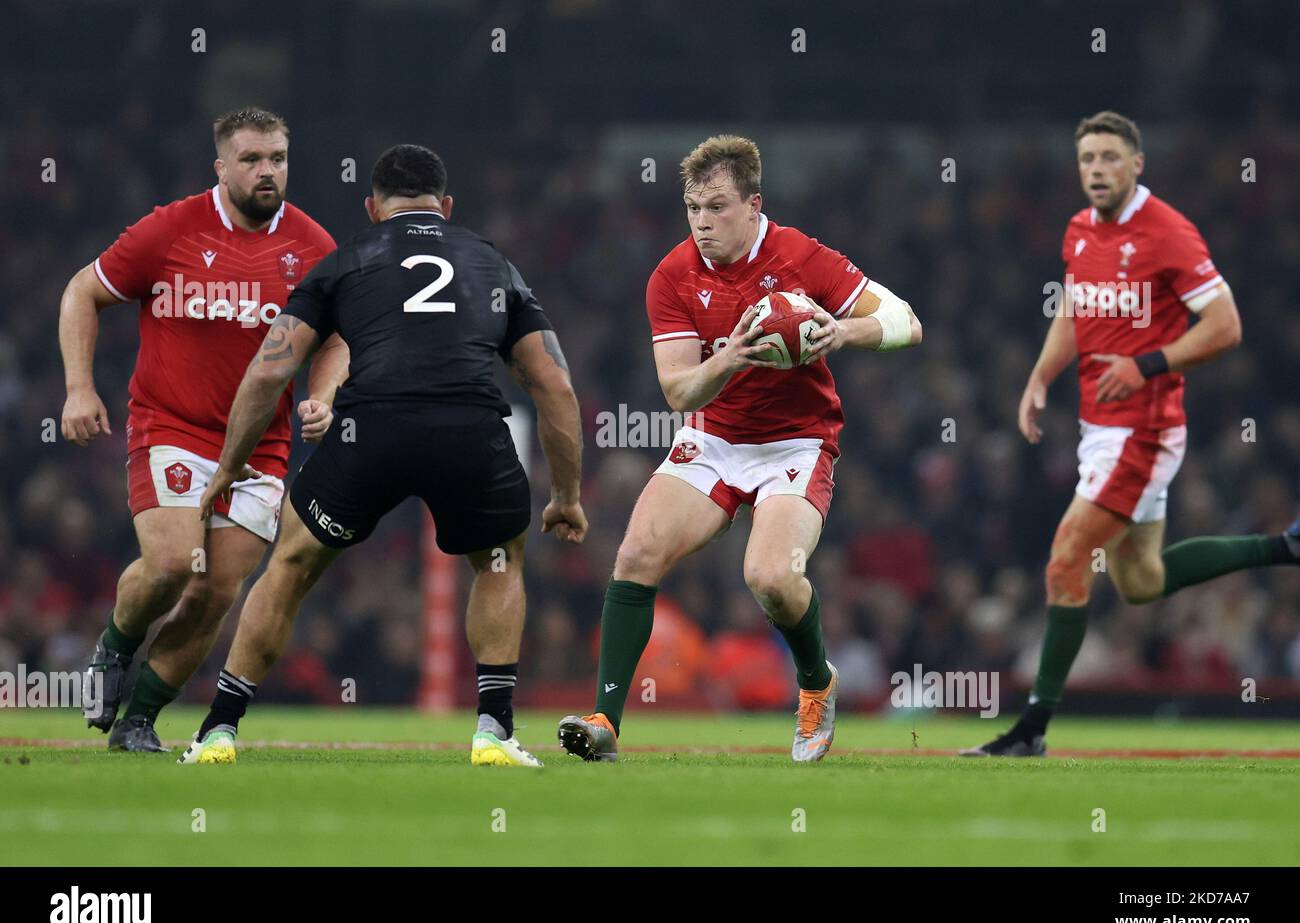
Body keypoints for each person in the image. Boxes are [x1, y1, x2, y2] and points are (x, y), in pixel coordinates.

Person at [180, 144, 586, 767]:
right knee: (498, 563)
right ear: (446, 208)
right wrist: (567, 496)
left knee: (290, 564)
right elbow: (553, 384)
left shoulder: (344, 262)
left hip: (368, 431)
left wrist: (230, 468)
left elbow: (267, 375)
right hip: (470, 430)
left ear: (372, 209)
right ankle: (493, 733)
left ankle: (219, 730)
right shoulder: (493, 263)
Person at [558, 134, 921, 763]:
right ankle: (605, 722)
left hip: (797, 443)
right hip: (715, 439)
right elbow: (677, 391)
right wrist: (726, 359)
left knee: (771, 578)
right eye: (694, 208)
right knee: (637, 551)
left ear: (754, 204)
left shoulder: (801, 256)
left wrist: (842, 329)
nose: (703, 223)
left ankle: (815, 682)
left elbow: (907, 322)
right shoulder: (672, 275)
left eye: (718, 207)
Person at [962, 111, 1298, 756]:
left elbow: (1225, 325)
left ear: (1137, 164)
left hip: (1144, 430)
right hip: (1099, 427)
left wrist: (1148, 364)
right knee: (1140, 581)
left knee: (1066, 560)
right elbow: (1073, 307)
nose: (1096, 170)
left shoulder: (1167, 232)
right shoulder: (1080, 230)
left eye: (1110, 158)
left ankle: (1031, 729)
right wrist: (1039, 377)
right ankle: (1284, 549)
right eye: (1087, 159)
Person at [61, 107, 345, 752]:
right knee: (169, 565)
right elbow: (83, 291)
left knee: (214, 593)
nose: (266, 170)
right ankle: (114, 645)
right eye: (251, 159)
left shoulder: (313, 247)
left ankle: (139, 721)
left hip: (260, 445)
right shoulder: (170, 229)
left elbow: (335, 338)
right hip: (173, 425)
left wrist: (324, 395)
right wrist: (80, 387)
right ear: (221, 166)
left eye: (276, 157)